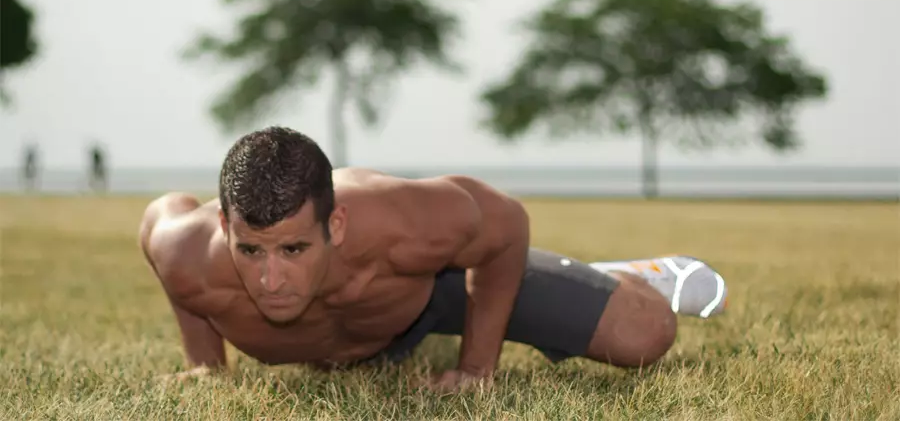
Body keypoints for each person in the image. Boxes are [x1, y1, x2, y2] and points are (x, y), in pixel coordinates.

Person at [139, 126, 727, 392]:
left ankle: (621, 276)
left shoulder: (403, 226)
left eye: (294, 249)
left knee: (645, 334)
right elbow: (159, 216)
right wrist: (204, 363)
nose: (271, 280)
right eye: (251, 251)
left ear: (335, 224)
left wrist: (476, 368)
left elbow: (506, 224)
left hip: (431, 289)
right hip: (359, 336)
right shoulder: (187, 253)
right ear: (224, 227)